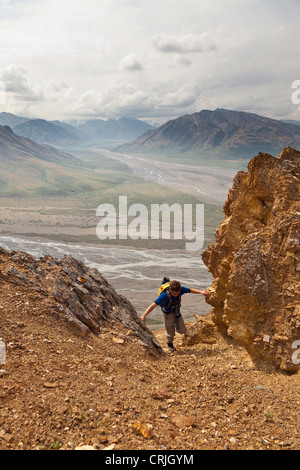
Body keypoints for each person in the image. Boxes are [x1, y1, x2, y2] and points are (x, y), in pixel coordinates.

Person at [140, 279, 209, 352]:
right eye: (175, 293)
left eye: (178, 293)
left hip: (176, 311)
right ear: (170, 290)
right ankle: (170, 343)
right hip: (167, 314)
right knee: (170, 331)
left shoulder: (181, 289)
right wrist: (144, 315)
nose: (176, 295)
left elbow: (191, 290)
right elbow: (153, 305)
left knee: (182, 330)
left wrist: (202, 292)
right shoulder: (164, 296)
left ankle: (180, 335)